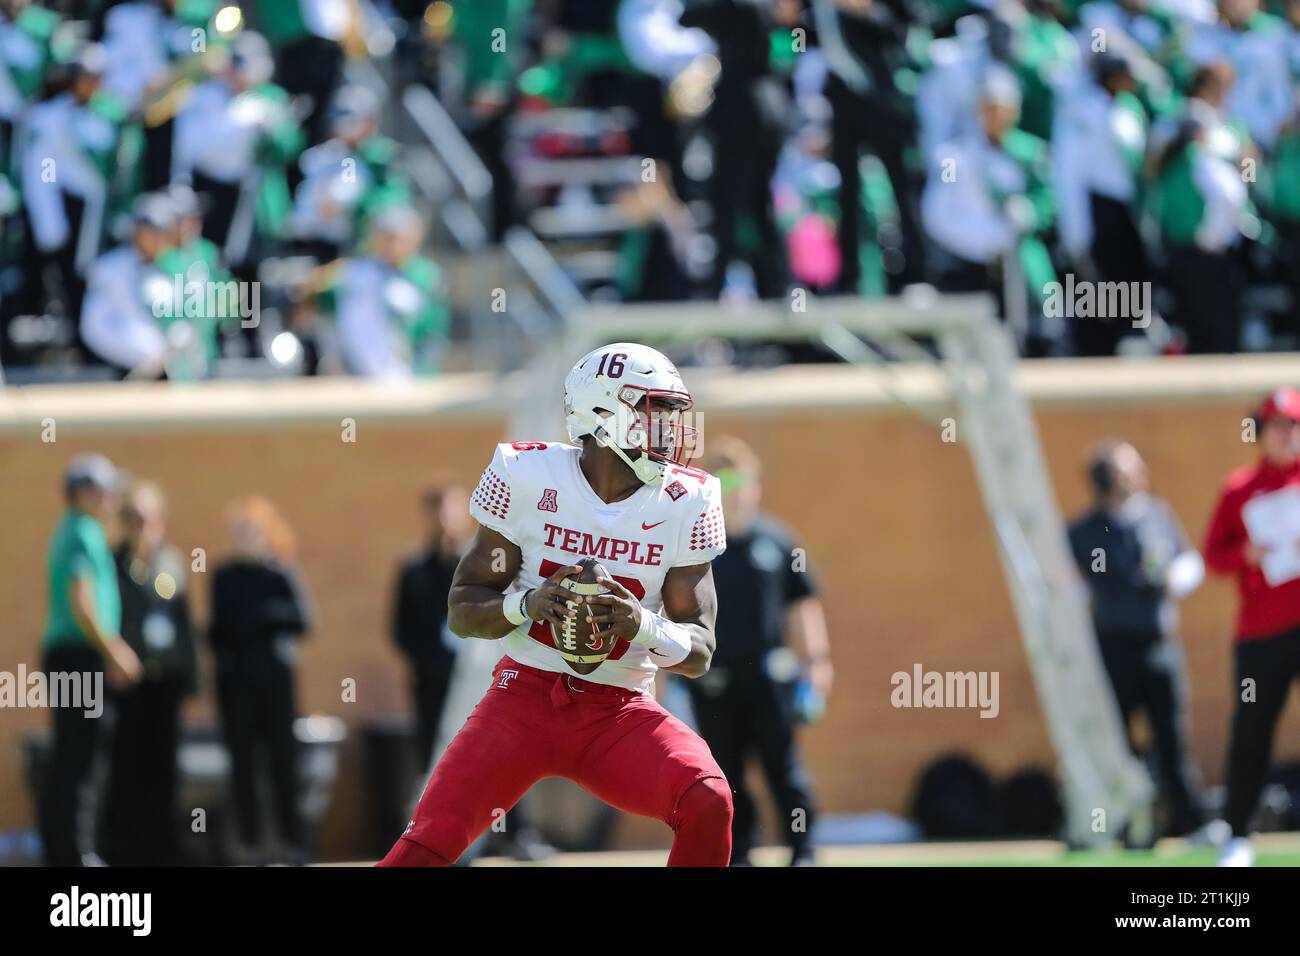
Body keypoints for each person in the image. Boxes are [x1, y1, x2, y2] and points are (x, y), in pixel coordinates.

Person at [377, 342, 734, 867]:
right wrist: (530, 604)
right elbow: (464, 608)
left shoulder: (688, 501)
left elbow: (699, 650)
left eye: (671, 414)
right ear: (604, 414)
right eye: (654, 412)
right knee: (429, 844)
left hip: (619, 709)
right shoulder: (528, 475)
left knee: (709, 800)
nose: (670, 430)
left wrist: (641, 625)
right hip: (523, 697)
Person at [688, 436, 832, 866]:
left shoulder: (778, 541)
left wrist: (817, 668)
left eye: (743, 479)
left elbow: (802, 606)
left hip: (770, 678)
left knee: (783, 770)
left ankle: (802, 851)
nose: (736, 489)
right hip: (713, 680)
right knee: (724, 776)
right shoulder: (698, 546)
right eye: (725, 480)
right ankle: (738, 854)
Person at [1066, 441, 1207, 839]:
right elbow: (1064, 581)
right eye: (1127, 471)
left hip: (1158, 643)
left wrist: (1176, 578)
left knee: (1172, 739)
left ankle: (1187, 823)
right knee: (1116, 742)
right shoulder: (1086, 529)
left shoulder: (1157, 516)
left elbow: (1187, 560)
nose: (1139, 476)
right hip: (1112, 647)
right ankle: (1125, 826)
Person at [1204, 387, 1300, 866]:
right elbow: (1213, 556)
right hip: (1262, 634)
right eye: (1279, 426)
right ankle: (1238, 832)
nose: (1288, 436)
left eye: (1294, 426)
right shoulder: (1239, 488)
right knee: (1251, 730)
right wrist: (1246, 555)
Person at [38, 454, 142, 866]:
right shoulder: (81, 532)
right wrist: (113, 649)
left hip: (73, 655)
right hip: (76, 656)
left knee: (72, 753)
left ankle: (64, 851)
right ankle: (74, 854)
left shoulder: (80, 530)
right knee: (79, 756)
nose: (112, 496)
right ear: (83, 491)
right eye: (105, 488)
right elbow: (82, 603)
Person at [208, 496, 313, 864]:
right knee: (243, 767)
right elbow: (218, 630)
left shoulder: (280, 573)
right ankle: (250, 845)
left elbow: (303, 621)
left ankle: (290, 843)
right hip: (237, 687)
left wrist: (264, 618)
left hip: (275, 685)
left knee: (283, 763)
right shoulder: (224, 576)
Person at [102, 481, 197, 866]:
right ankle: (125, 848)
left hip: (165, 682)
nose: (141, 525)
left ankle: (163, 849)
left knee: (164, 766)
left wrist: (192, 680)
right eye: (133, 517)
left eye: (147, 517)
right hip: (129, 682)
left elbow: (184, 622)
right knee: (126, 764)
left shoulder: (171, 562)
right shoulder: (113, 563)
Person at [392, 483, 472, 772]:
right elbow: (401, 630)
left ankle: (507, 820)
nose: (443, 518)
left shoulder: (482, 562)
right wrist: (432, 661)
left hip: (478, 680)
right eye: (436, 510)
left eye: (450, 509)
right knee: (436, 760)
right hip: (432, 683)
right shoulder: (414, 569)